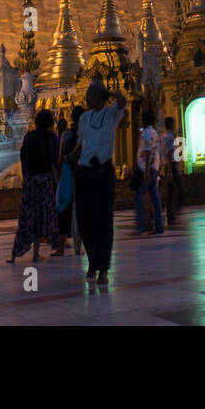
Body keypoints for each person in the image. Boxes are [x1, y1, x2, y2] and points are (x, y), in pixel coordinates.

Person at [73, 82, 128, 284]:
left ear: (99, 97)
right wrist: (71, 154)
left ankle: (102, 269)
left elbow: (123, 101)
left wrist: (109, 93)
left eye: (90, 95)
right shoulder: (84, 118)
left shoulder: (112, 114)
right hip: (85, 172)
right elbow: (81, 142)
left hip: (103, 171)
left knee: (103, 222)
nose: (86, 98)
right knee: (85, 222)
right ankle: (92, 262)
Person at [9, 109, 62, 262]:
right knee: (42, 216)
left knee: (26, 216)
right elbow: (53, 162)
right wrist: (57, 182)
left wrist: (25, 177)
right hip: (44, 180)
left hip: (30, 180)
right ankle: (35, 253)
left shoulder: (29, 136)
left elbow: (23, 157)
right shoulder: (51, 137)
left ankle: (14, 254)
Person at [134, 108, 165, 234]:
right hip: (153, 167)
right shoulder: (153, 132)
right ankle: (159, 226)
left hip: (147, 168)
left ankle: (142, 225)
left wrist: (146, 172)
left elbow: (147, 152)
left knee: (138, 197)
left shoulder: (147, 133)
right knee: (154, 197)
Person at [58, 109, 82, 254]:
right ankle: (79, 247)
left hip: (67, 176)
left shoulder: (66, 135)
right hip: (81, 176)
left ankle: (61, 247)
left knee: (65, 212)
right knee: (80, 211)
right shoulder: (84, 134)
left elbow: (61, 157)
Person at [161, 116, 184, 225]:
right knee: (180, 189)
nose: (175, 126)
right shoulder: (169, 136)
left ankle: (171, 215)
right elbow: (169, 153)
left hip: (168, 165)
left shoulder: (165, 136)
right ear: (171, 125)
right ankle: (172, 213)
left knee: (171, 191)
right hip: (171, 165)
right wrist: (170, 170)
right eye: (173, 124)